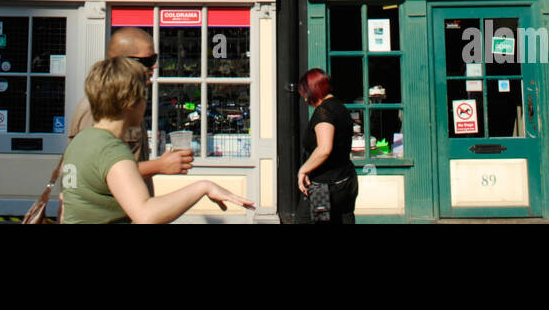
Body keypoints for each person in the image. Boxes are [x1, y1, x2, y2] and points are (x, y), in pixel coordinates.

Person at [60, 56, 254, 223]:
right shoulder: (110, 150)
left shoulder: (82, 140)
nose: (145, 103)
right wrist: (203, 187)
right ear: (130, 101)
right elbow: (146, 214)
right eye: (144, 96)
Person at [68, 27, 193, 190]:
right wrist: (159, 166)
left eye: (155, 58)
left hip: (129, 211)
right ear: (122, 62)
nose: (154, 66)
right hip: (109, 213)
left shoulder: (126, 102)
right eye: (148, 60)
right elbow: (92, 173)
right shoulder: (96, 107)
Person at [295, 68, 358, 224]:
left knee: (306, 221)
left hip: (324, 186)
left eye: (305, 94)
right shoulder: (339, 106)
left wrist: (303, 169)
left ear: (313, 91)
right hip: (347, 180)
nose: (305, 100)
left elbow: (324, 149)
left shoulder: (324, 111)